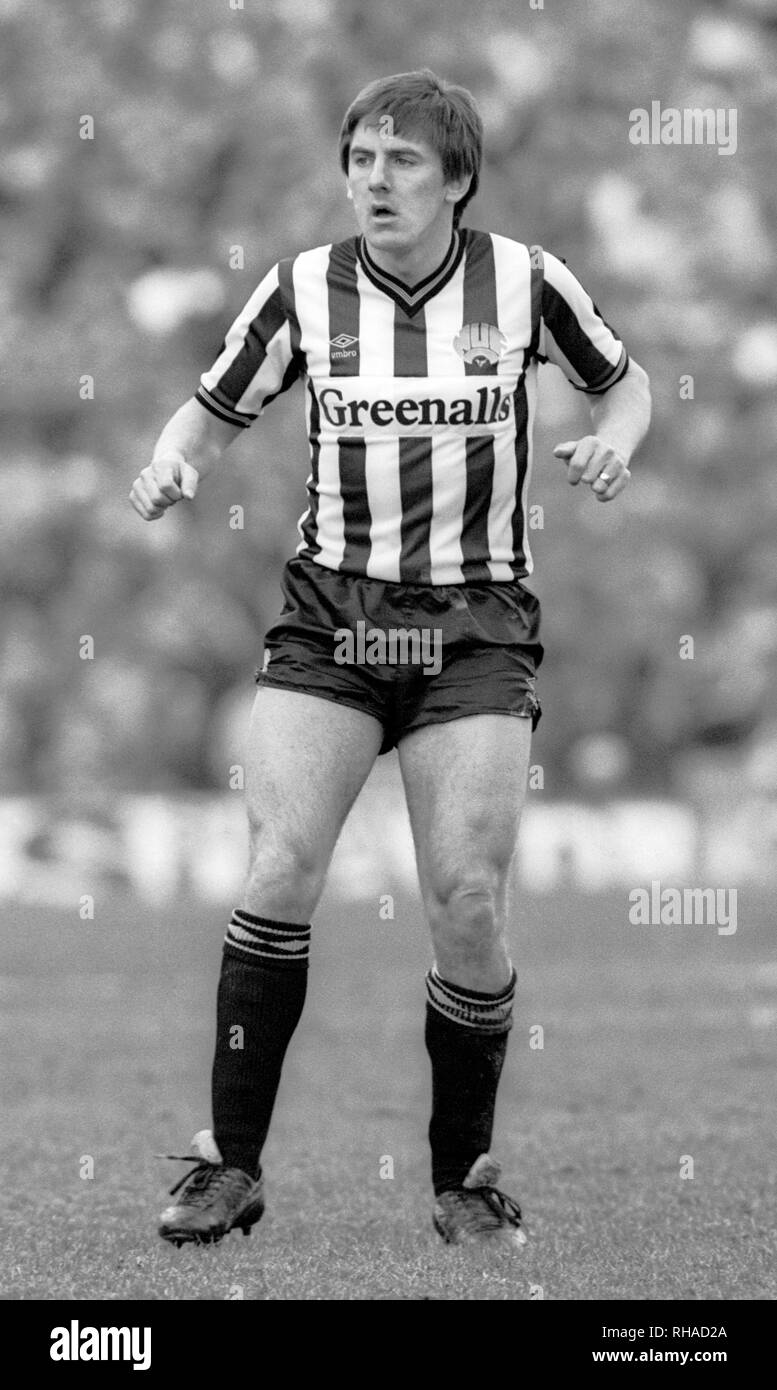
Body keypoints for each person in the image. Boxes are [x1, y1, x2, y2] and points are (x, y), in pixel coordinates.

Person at [130, 69, 651, 1250]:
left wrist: (615, 446)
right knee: (279, 864)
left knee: (467, 894)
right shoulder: (301, 291)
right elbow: (206, 411)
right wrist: (177, 466)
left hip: (474, 625)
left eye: (403, 161)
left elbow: (625, 389)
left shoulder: (526, 283)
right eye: (362, 158)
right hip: (334, 621)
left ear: (458, 180)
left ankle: (462, 1177)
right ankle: (230, 1166)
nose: (376, 179)